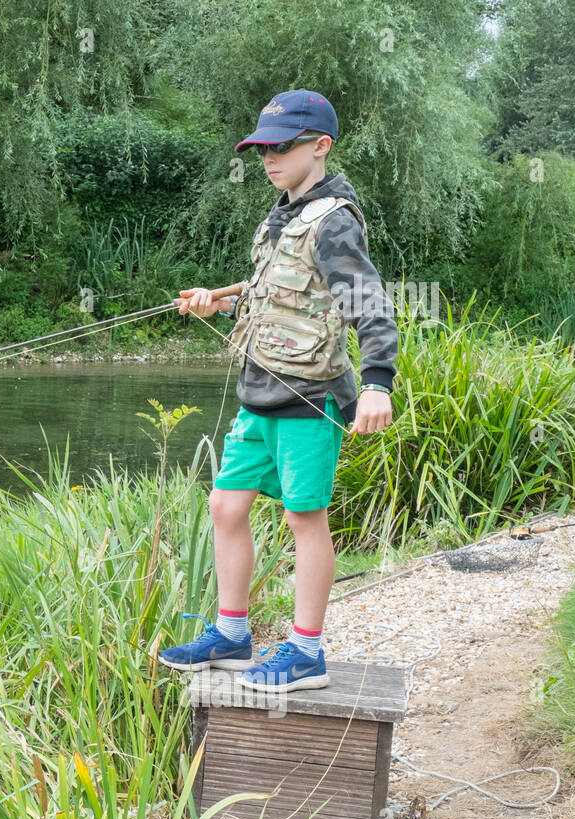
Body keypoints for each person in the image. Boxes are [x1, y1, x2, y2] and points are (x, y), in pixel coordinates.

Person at [158, 89, 397, 691]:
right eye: (262, 148)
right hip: (258, 394)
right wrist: (220, 296)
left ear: (321, 146)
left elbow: (369, 304)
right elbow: (277, 285)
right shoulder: (283, 212)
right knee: (225, 505)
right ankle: (233, 636)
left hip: (309, 402)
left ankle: (307, 651)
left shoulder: (336, 219)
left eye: (283, 147)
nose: (269, 159)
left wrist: (376, 384)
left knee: (303, 518)